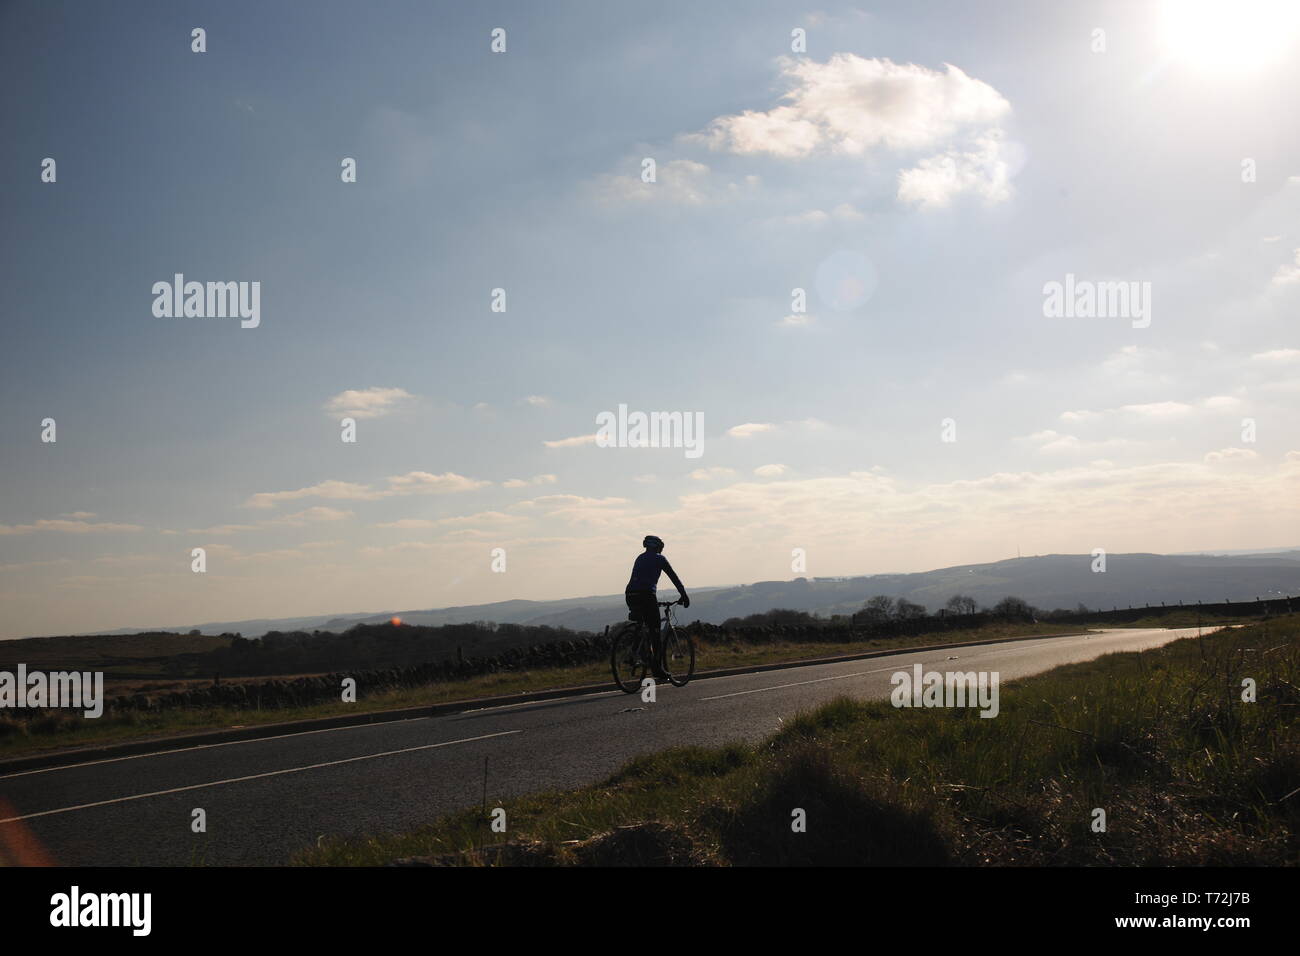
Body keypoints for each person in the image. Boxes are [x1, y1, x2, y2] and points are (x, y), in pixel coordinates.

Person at [625, 535, 690, 678]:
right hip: (646, 594)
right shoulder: (660, 559)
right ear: (658, 547)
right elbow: (674, 577)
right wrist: (683, 594)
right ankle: (657, 669)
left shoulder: (640, 557)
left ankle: (636, 652)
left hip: (630, 594)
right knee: (655, 633)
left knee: (642, 624)